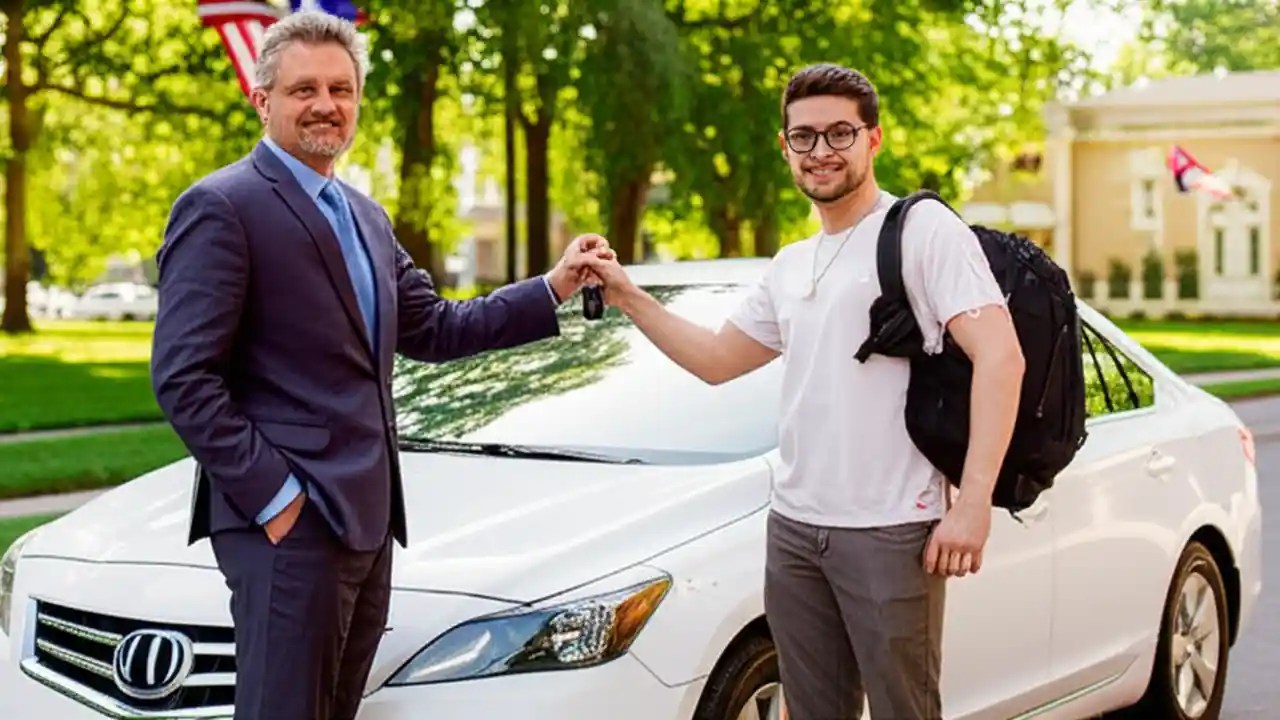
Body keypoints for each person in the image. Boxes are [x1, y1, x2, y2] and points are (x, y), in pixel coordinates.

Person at [149, 11, 610, 720]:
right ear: (262, 99)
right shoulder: (221, 207)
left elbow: (432, 326)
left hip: (367, 522)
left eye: (341, 89)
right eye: (304, 89)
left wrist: (551, 287)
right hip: (286, 529)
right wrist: (279, 501)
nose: (326, 105)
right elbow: (184, 378)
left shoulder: (365, 216)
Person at [577, 64, 1024, 719]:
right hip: (795, 528)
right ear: (784, 147)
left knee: (906, 709)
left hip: (891, 529)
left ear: (874, 139)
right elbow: (717, 359)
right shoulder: (789, 265)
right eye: (804, 137)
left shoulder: (922, 230)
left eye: (840, 133)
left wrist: (974, 504)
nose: (821, 151)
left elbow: (1002, 359)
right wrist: (627, 295)